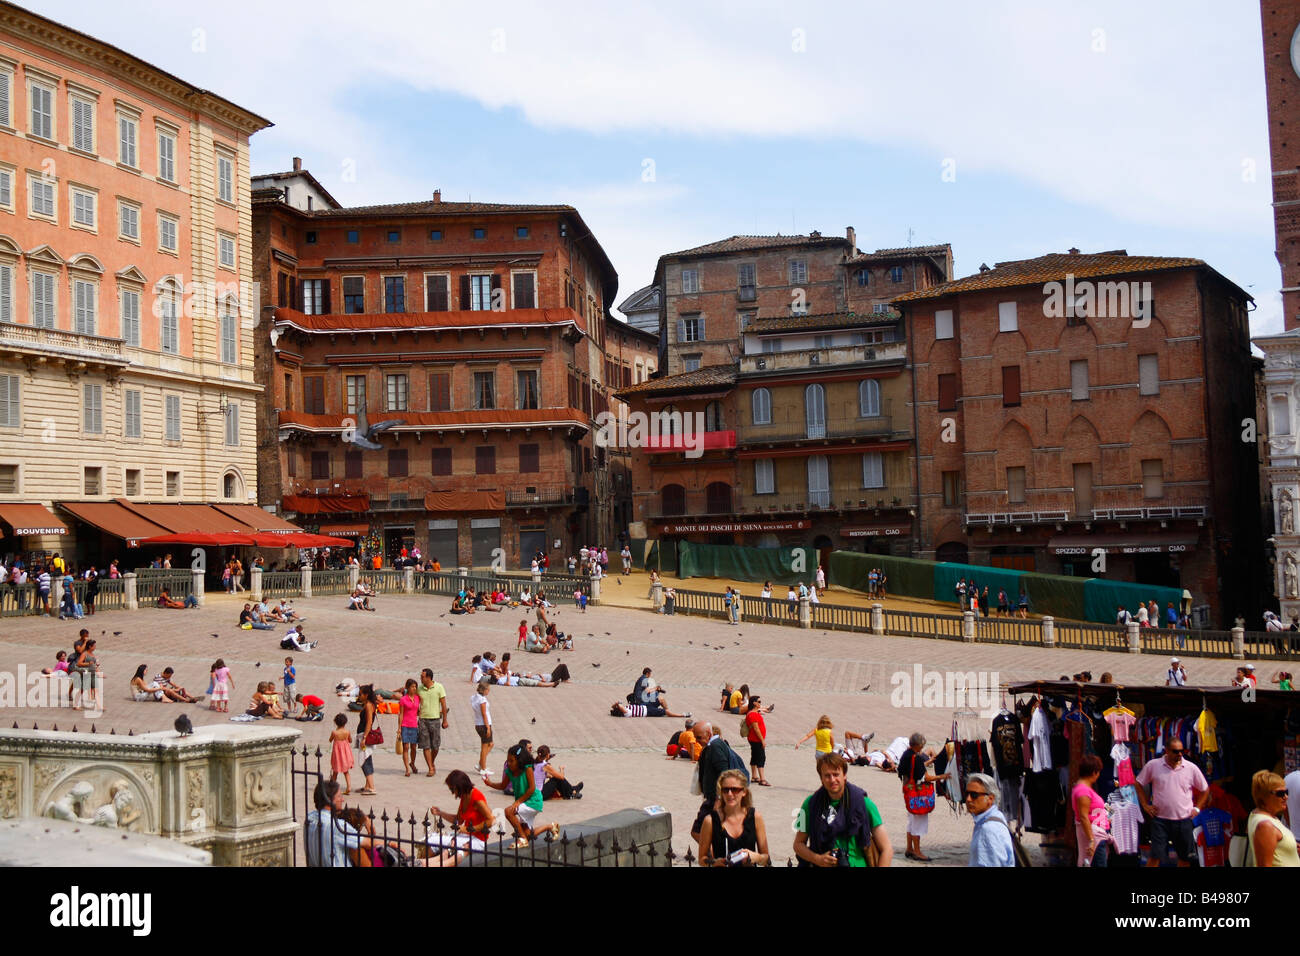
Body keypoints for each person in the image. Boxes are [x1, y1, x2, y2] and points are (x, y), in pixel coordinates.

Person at [794, 752, 893, 867]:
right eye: (827, 776)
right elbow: (798, 844)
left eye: (836, 774)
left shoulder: (865, 804)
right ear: (821, 778)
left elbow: (887, 849)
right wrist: (818, 859)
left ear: (844, 775)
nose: (832, 780)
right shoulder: (809, 804)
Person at [1135, 738, 1207, 866]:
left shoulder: (1191, 768)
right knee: (1154, 857)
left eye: (1181, 751)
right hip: (1160, 820)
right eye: (1175, 751)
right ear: (1166, 751)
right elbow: (1138, 783)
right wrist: (1145, 805)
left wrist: (1197, 808)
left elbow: (1205, 789)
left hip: (1184, 820)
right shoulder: (1153, 765)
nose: (1179, 754)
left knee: (1185, 859)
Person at [699, 769, 770, 866]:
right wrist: (715, 862)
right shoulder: (710, 821)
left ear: (744, 792)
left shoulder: (755, 817)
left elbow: (766, 858)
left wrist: (756, 857)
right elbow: (702, 859)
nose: (729, 794)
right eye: (725, 790)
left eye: (735, 789)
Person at [899, 732, 949, 862]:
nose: (922, 748)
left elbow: (911, 769)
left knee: (911, 821)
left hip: (909, 792)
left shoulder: (907, 754)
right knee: (918, 822)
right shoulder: (916, 757)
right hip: (918, 794)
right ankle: (917, 851)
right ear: (918, 745)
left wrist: (926, 763)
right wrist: (941, 777)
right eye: (922, 745)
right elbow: (926, 777)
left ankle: (909, 848)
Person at [483, 743, 544, 848]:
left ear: (519, 761)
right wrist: (490, 783)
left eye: (512, 761)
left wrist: (518, 802)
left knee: (508, 811)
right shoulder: (509, 772)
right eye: (508, 760)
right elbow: (503, 786)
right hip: (524, 802)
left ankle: (522, 839)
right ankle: (551, 827)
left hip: (533, 801)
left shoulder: (527, 769)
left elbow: (532, 789)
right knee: (528, 833)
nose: (509, 763)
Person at [305, 780, 372, 867]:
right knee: (356, 848)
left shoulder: (309, 818)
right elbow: (368, 843)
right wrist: (390, 843)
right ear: (329, 800)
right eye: (339, 796)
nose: (342, 799)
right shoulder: (337, 826)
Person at [429, 769, 496, 854]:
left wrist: (469, 829)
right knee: (432, 837)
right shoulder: (464, 796)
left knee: (432, 840)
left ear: (459, 787)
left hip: (477, 840)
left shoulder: (476, 798)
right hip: (467, 836)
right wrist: (440, 813)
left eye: (452, 790)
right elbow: (458, 820)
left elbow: (491, 820)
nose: (453, 793)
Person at [1247, 770, 1299, 867]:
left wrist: (1290, 847)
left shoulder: (1265, 815)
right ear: (1264, 796)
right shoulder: (1265, 826)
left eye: (1286, 792)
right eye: (1280, 793)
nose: (1286, 797)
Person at [965, 772, 1016, 866]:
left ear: (990, 798)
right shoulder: (995, 817)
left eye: (974, 795)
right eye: (967, 794)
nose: (968, 799)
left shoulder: (988, 829)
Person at [1073, 754, 1112, 867]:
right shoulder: (1083, 791)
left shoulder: (1085, 789)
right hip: (1095, 838)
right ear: (1094, 772)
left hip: (1097, 836)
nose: (1098, 775)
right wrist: (1091, 840)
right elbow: (1083, 817)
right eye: (1098, 772)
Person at [416, 668, 449, 777]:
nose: (421, 678)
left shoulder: (439, 687)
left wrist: (445, 719)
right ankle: (430, 768)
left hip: (435, 719)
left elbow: (443, 704)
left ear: (429, 678)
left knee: (435, 746)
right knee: (425, 745)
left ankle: (431, 762)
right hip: (423, 720)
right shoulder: (419, 689)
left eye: (422, 676)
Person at [355, 684, 379, 795]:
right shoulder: (367, 704)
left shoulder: (369, 705)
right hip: (362, 734)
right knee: (367, 759)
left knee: (364, 760)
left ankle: (372, 787)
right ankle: (367, 785)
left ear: (366, 695)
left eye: (361, 694)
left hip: (365, 735)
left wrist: (364, 737)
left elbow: (369, 722)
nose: (359, 696)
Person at [745, 695, 771, 787]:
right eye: (759, 702)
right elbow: (756, 728)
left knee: (755, 757)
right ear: (754, 703)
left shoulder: (754, 713)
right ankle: (762, 779)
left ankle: (754, 776)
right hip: (756, 739)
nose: (760, 703)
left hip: (753, 739)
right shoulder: (753, 714)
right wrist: (762, 740)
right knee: (761, 757)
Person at [471, 680, 494, 779]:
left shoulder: (474, 697)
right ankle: (483, 767)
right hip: (484, 724)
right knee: (486, 746)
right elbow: (484, 714)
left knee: (488, 745)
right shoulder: (482, 700)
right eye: (488, 690)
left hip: (478, 724)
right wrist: (488, 727)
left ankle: (481, 764)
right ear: (484, 690)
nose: (489, 691)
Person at [398, 678, 420, 777]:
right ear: (408, 687)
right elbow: (401, 714)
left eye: (415, 686)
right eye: (412, 686)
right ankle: (407, 768)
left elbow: (418, 711)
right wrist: (399, 728)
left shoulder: (417, 698)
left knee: (414, 747)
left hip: (414, 725)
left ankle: (412, 763)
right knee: (406, 747)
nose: (414, 688)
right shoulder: (403, 699)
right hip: (405, 725)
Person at [328, 714, 353, 794]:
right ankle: (349, 787)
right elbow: (350, 740)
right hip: (345, 753)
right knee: (346, 772)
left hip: (337, 754)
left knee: (335, 771)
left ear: (335, 722)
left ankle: (332, 788)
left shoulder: (335, 732)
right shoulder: (347, 732)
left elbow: (330, 740)